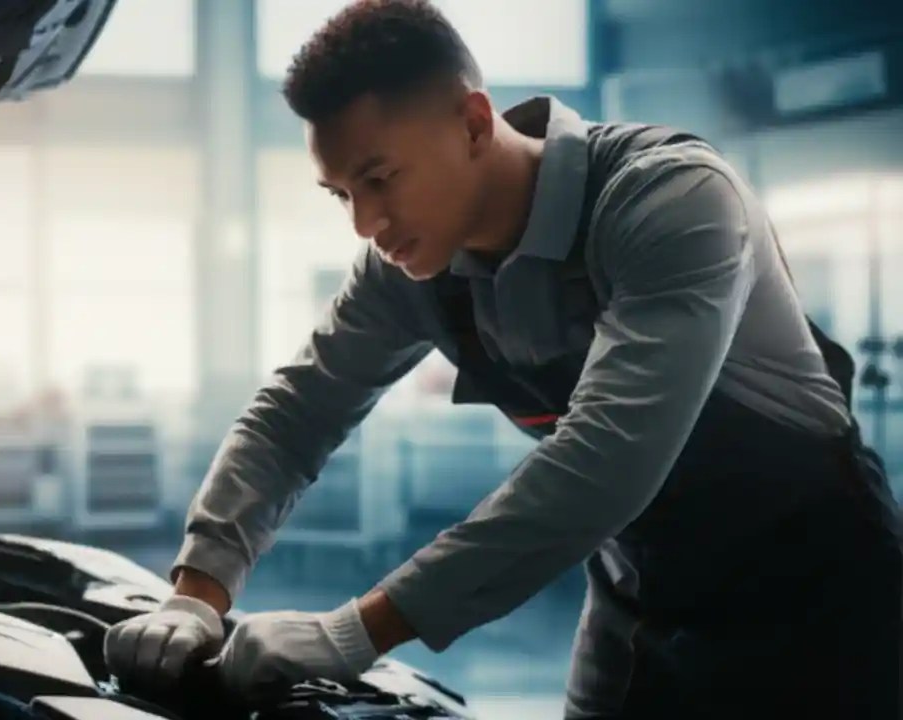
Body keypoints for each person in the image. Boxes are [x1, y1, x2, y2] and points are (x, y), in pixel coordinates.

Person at [103, 1, 903, 717]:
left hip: (821, 599)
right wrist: (197, 595)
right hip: (641, 593)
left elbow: (603, 464)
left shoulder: (671, 202)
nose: (364, 223)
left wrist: (356, 632)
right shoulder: (411, 266)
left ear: (475, 122)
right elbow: (296, 414)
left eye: (379, 179)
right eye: (342, 194)